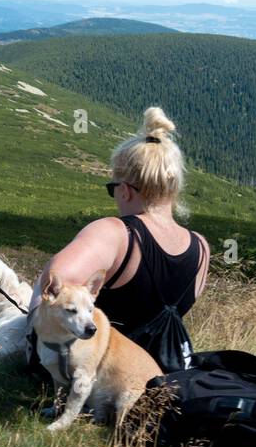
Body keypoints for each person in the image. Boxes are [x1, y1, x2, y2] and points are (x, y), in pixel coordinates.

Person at [31, 107, 210, 360]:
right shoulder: (201, 248)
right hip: (162, 374)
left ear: (125, 190)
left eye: (112, 188)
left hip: (97, 375)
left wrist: (31, 337)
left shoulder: (114, 233)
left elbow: (52, 282)